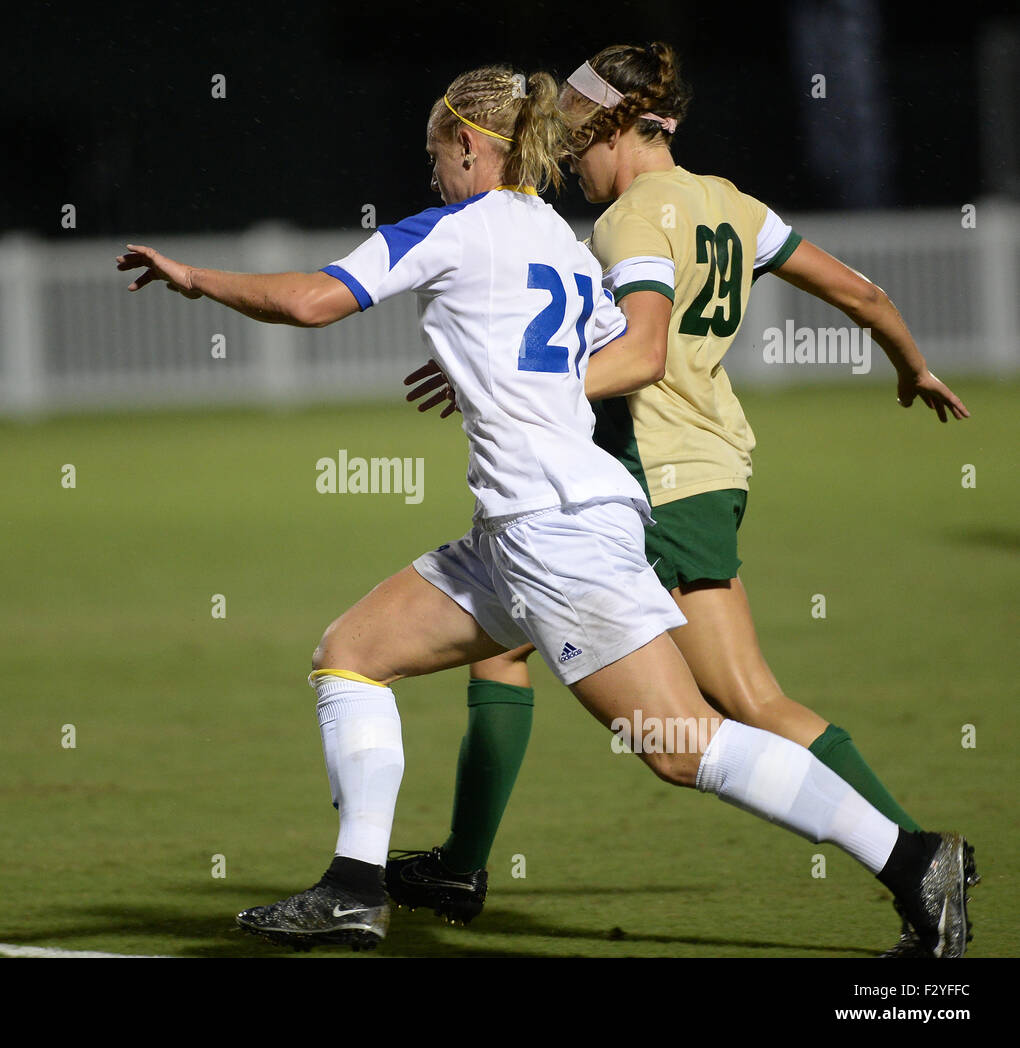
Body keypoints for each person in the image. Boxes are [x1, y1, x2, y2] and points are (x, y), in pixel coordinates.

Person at [116, 63, 973, 956]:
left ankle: (912, 863)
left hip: (555, 532)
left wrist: (195, 278)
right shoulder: (562, 241)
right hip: (527, 529)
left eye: (435, 155)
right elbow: (614, 355)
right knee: (352, 654)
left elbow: (311, 299)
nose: (432, 174)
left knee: (686, 746)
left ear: (468, 145)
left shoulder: (453, 225)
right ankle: (353, 888)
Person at [392, 42, 974, 956]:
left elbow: (639, 355)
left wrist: (503, 384)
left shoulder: (632, 219)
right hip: (710, 469)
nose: (571, 162)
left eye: (577, 142)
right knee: (529, 649)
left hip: (654, 478)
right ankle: (461, 864)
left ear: (614, 129)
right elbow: (862, 292)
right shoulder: (729, 203)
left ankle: (916, 856)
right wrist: (915, 365)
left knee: (715, 703)